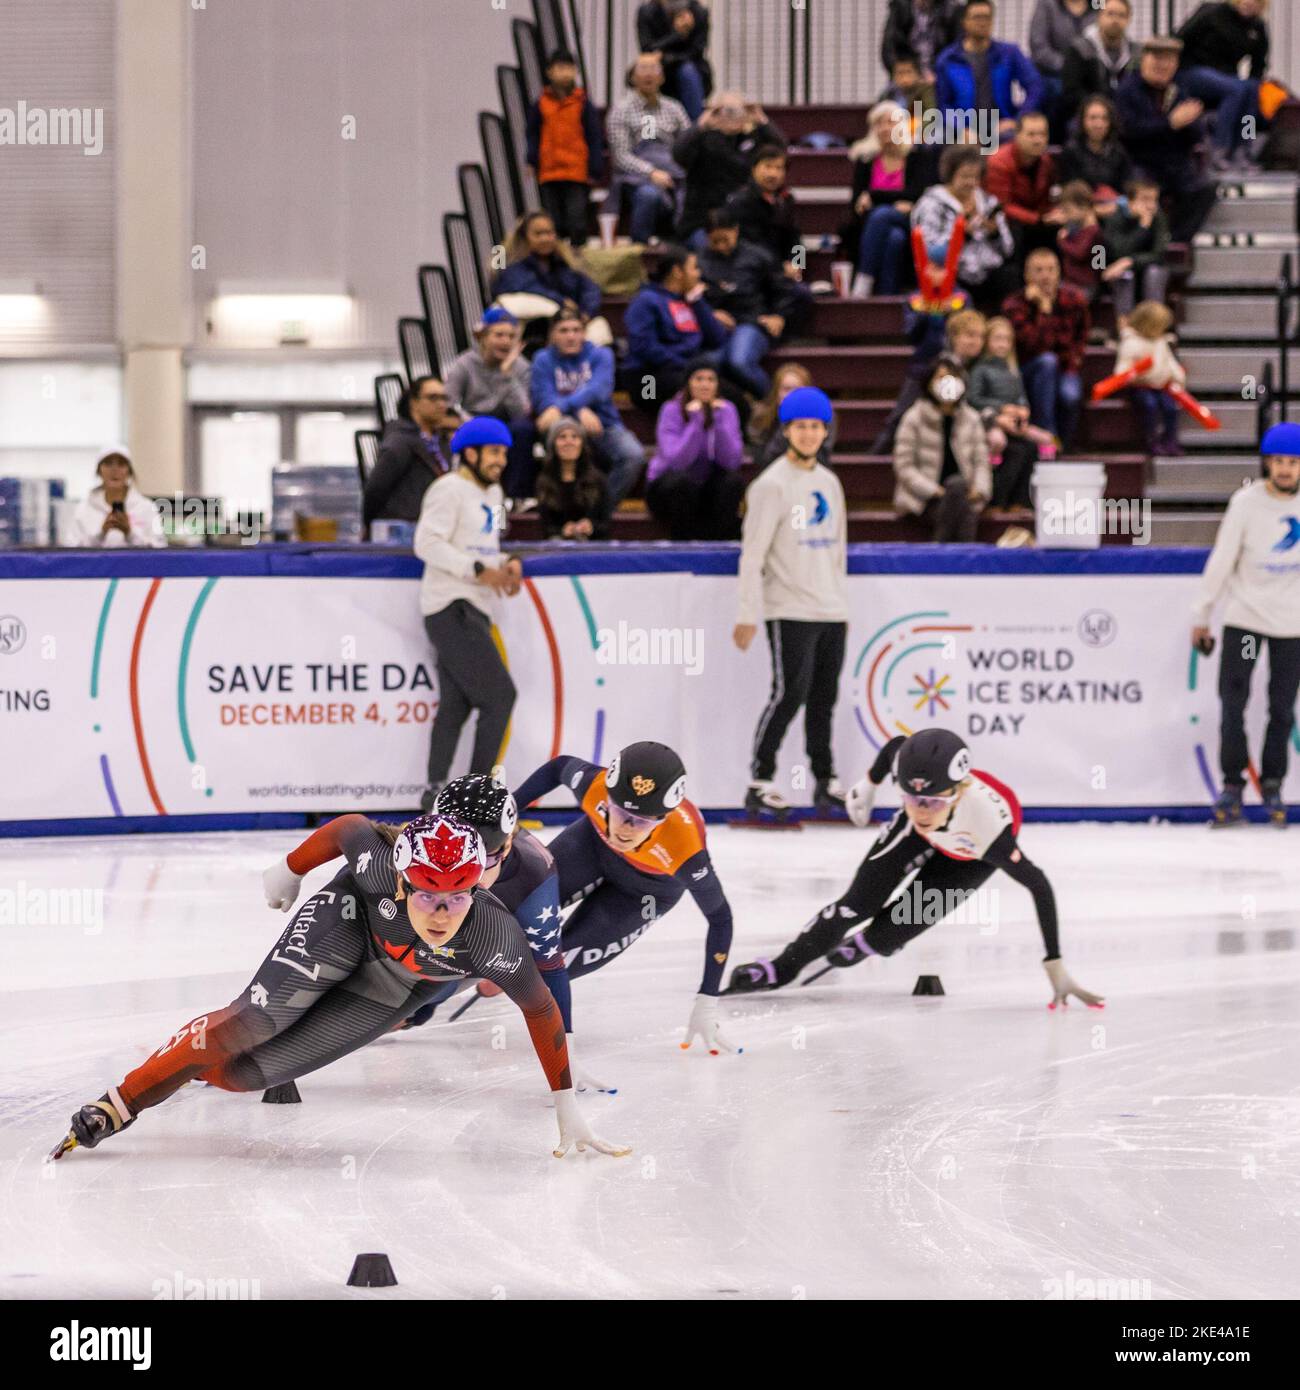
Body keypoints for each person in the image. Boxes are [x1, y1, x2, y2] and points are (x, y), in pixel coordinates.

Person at [51, 814, 629, 1161]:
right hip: (350, 922)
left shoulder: (494, 940)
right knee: (254, 1021)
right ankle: (120, 1102)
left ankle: (185, 1059)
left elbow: (542, 1011)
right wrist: (291, 866)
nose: (442, 912)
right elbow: (351, 828)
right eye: (427, 894)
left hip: (394, 985)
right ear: (402, 884)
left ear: (478, 890)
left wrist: (564, 1102)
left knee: (241, 1075)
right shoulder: (378, 870)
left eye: (457, 897)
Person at [722, 727, 1104, 1011]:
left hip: (967, 855)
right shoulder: (916, 780)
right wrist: (869, 784)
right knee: (855, 905)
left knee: (889, 932)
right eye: (911, 798)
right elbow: (893, 749)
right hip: (928, 836)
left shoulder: (990, 829)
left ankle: (869, 944)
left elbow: (1039, 886)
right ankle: (782, 967)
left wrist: (1053, 961)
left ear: (958, 791)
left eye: (933, 802)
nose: (922, 811)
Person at [513, 741, 741, 1055]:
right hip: (591, 846)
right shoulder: (594, 786)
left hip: (646, 892)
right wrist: (508, 810)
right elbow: (558, 766)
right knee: (505, 915)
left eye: (642, 822)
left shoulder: (686, 849)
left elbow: (720, 918)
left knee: (535, 970)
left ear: (662, 819)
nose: (624, 829)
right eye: (619, 812)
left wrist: (707, 1001)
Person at [734, 386, 848, 817]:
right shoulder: (771, 485)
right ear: (786, 431)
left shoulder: (830, 483)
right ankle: (760, 780)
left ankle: (825, 780)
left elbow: (837, 549)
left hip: (831, 609)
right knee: (788, 694)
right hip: (789, 609)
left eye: (816, 427)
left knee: (824, 699)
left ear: (825, 432)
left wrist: (842, 604)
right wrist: (748, 611)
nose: (808, 434)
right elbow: (753, 554)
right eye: (800, 427)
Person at [1193, 420, 1300, 828]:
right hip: (1247, 621)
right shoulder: (1246, 503)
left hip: (1292, 626)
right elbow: (1221, 561)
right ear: (1267, 463)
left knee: (1282, 709)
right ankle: (1232, 785)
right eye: (1279, 461)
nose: (1286, 469)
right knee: (1233, 704)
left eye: (1293, 462)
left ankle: (1272, 782)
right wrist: (1202, 614)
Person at [414, 417, 523, 812]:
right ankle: (477, 799)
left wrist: (507, 563)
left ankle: (435, 793)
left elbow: (487, 546)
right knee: (500, 696)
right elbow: (426, 543)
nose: (502, 461)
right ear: (471, 452)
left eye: (505, 453)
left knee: (457, 706)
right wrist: (476, 570)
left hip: (475, 606)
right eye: (495, 452)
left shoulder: (492, 494)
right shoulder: (448, 489)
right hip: (449, 605)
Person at [531, 308, 646, 503]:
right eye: (564, 330)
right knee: (562, 434)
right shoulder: (542, 359)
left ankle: (599, 508)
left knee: (633, 455)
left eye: (576, 330)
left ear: (584, 333)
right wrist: (579, 410)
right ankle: (558, 510)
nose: (571, 336)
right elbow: (543, 399)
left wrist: (564, 406)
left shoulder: (601, 354)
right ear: (552, 334)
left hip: (603, 425)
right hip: (561, 426)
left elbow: (599, 390)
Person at [1115, 37, 1217, 243]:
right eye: (1157, 58)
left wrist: (1191, 122)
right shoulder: (1127, 90)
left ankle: (1175, 241)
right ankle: (1146, 242)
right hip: (1140, 162)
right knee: (1141, 190)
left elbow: (1195, 136)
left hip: (1175, 163)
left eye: (1169, 60)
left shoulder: (1178, 91)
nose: (1163, 65)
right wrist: (1169, 123)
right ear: (1144, 59)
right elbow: (1130, 132)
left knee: (1205, 187)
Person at [697, 208, 805, 399]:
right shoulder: (698, 262)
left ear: (735, 231)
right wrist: (710, 313)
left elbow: (784, 290)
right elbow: (692, 298)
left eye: (725, 239)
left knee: (738, 361)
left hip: (753, 322)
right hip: (715, 329)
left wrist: (779, 315)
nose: (721, 246)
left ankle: (776, 409)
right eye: (715, 241)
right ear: (706, 237)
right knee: (704, 366)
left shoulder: (758, 256)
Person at [893, 354, 991, 541]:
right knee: (957, 494)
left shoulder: (971, 418)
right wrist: (934, 490)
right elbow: (904, 467)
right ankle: (964, 555)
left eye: (952, 377)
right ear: (929, 382)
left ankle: (940, 544)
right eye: (940, 378)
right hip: (924, 500)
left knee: (958, 491)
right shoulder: (914, 417)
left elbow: (981, 462)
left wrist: (979, 489)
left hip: (965, 495)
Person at [646, 359, 745, 541]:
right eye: (699, 379)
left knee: (732, 482)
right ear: (688, 383)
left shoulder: (727, 410)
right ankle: (683, 543)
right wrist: (696, 421)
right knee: (681, 483)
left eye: (710, 379)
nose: (705, 385)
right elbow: (677, 462)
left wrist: (720, 423)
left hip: (704, 487)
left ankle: (719, 543)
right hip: (667, 487)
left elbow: (731, 461)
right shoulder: (670, 410)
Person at [622, 243, 730, 408]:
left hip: (683, 373)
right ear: (677, 272)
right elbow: (644, 347)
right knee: (697, 392)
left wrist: (698, 302)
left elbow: (718, 339)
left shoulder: (691, 301)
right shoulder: (645, 300)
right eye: (694, 268)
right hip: (646, 379)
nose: (698, 274)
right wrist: (688, 368)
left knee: (734, 400)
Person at [443, 306, 536, 498]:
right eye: (499, 335)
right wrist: (468, 421)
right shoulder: (464, 363)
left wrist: (507, 374)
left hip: (508, 421)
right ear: (482, 337)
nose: (505, 342)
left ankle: (514, 497)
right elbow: (448, 403)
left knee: (524, 429)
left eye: (511, 336)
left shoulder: (521, 366)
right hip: (474, 419)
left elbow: (522, 411)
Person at [912, 146, 1017, 314]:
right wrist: (962, 235)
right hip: (952, 275)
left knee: (1010, 276)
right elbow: (928, 252)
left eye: (975, 177)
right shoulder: (931, 204)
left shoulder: (989, 203)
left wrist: (994, 233)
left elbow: (1008, 250)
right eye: (965, 176)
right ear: (950, 175)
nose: (971, 183)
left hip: (987, 272)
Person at [1003, 248, 1090, 449]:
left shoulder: (1074, 299)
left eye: (1051, 270)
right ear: (1027, 275)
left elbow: (1082, 333)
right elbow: (1035, 345)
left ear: (1059, 272)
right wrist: (1043, 310)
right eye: (1039, 270)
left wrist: (1075, 359)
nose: (1046, 276)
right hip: (1028, 369)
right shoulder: (1015, 304)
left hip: (1065, 365)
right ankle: (1048, 436)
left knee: (1070, 396)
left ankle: (1065, 446)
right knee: (1047, 362)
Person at [672, 91, 785, 244]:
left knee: (763, 254)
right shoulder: (702, 140)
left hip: (745, 222)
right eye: (726, 110)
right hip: (703, 223)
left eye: (737, 110)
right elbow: (678, 154)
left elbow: (780, 151)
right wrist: (701, 125)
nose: (731, 116)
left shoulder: (754, 140)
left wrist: (762, 121)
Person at [840, 100, 928, 298]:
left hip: (911, 221)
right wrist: (894, 202)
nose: (885, 128)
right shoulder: (866, 160)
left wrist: (874, 196)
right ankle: (887, 296)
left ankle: (864, 279)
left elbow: (917, 194)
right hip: (873, 226)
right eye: (880, 123)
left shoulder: (916, 157)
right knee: (893, 237)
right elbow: (857, 202)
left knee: (881, 214)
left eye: (891, 122)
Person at [969, 315, 1053, 507]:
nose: (1002, 344)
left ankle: (1021, 501)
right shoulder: (980, 370)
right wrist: (1001, 409)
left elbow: (1021, 396)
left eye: (1007, 340)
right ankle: (998, 501)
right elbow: (974, 399)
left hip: (1015, 425)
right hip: (990, 423)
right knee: (1010, 449)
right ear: (987, 341)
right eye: (997, 339)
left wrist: (1023, 410)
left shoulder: (1012, 371)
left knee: (1035, 446)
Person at [607, 54, 691, 244]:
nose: (648, 74)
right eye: (643, 69)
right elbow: (620, 156)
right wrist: (651, 172)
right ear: (632, 77)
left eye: (654, 69)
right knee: (649, 195)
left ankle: (683, 250)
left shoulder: (674, 108)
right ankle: (640, 251)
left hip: (674, 173)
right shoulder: (621, 109)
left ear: (662, 77)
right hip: (636, 178)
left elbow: (687, 144)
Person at [1176, 0, 1270, 170]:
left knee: (1252, 89)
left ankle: (1244, 147)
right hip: (1192, 72)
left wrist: (1254, 83)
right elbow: (1180, 39)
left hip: (1227, 78)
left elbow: (1259, 64)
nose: (1249, 3)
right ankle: (1220, 149)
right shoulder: (1211, 12)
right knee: (1236, 89)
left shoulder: (1257, 26)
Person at [525, 49, 605, 245]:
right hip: (549, 172)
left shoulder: (583, 103)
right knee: (555, 223)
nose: (565, 72)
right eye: (560, 67)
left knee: (577, 221)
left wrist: (595, 167)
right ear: (549, 72)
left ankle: (577, 261)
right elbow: (533, 133)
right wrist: (531, 159)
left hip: (576, 172)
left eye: (569, 68)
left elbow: (594, 136)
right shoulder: (541, 103)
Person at [934, 0, 1044, 142]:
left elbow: (1035, 86)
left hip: (1001, 126)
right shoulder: (948, 59)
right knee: (935, 140)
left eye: (987, 17)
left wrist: (1018, 119)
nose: (982, 22)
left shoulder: (1009, 53)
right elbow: (943, 104)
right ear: (964, 22)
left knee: (1014, 138)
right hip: (961, 127)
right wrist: (961, 128)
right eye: (977, 17)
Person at [490, 211, 605, 338]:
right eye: (538, 234)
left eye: (549, 233)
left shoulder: (566, 262)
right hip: (536, 331)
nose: (545, 238)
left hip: (572, 323)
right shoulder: (509, 264)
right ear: (525, 237)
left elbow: (590, 288)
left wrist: (586, 313)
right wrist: (562, 301)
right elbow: (526, 286)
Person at [363, 376, 455, 528]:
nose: (441, 404)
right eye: (433, 398)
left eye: (444, 398)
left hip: (433, 528)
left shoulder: (442, 442)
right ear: (414, 402)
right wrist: (369, 527)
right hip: (402, 532)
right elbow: (375, 490)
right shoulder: (399, 442)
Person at [983, 111, 1062, 260]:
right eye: (1031, 135)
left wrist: (1054, 213)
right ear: (1017, 136)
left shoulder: (1046, 162)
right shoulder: (998, 163)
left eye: (1043, 134)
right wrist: (1038, 219)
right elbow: (1001, 206)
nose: (1038, 140)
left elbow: (1047, 198)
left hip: (1036, 221)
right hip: (1007, 225)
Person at [1115, 300, 1186, 457]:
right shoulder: (1131, 343)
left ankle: (1170, 439)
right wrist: (1135, 374)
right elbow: (1122, 370)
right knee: (1150, 405)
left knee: (1170, 407)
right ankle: (1151, 440)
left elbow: (1170, 362)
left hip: (1161, 385)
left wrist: (1178, 377)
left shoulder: (1161, 342)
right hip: (1141, 387)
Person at [1100, 177, 1171, 324]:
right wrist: (1141, 228)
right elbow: (1117, 251)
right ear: (1130, 200)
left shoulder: (1158, 217)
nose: (1151, 205)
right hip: (1118, 270)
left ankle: (1154, 325)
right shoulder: (1116, 216)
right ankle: (1125, 328)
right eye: (1145, 199)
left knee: (1154, 272)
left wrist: (1129, 261)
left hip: (1145, 268)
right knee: (1124, 276)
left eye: (1154, 200)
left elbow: (1158, 254)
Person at [533, 417, 611, 541]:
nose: (569, 442)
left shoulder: (599, 480)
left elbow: (606, 524)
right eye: (562, 437)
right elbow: (545, 527)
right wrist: (562, 531)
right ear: (553, 445)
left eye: (575, 437)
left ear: (582, 443)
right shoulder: (543, 482)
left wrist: (591, 527)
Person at [1060, 0, 1137, 124]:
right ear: (1099, 16)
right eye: (1110, 14)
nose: (1115, 20)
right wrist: (1099, 110)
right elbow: (1071, 92)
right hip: (1086, 116)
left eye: (1121, 15)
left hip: (1124, 116)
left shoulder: (1135, 53)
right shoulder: (1079, 50)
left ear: (1129, 20)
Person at [69, 449, 165, 548]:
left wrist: (130, 534)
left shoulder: (146, 508)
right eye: (108, 464)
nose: (115, 470)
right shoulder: (83, 509)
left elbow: (160, 549)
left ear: (129, 471)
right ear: (99, 471)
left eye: (121, 464)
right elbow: (71, 552)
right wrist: (101, 534)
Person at [748, 363, 837, 469]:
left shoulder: (822, 416)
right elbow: (765, 459)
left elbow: (821, 458)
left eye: (797, 389)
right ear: (777, 392)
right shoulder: (762, 418)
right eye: (786, 389)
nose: (792, 395)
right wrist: (786, 420)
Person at [636, 0, 713, 120]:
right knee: (647, 70)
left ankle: (695, 127)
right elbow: (647, 51)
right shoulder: (647, 11)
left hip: (688, 65)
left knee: (687, 71)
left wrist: (668, 57)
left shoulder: (699, 12)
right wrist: (677, 34)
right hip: (659, 65)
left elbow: (696, 51)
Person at [1055, 95, 1132, 215]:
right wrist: (1094, 209)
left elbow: (1125, 190)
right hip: (1080, 213)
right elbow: (1068, 190)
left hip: (1112, 211)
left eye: (1104, 118)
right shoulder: (1070, 151)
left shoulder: (1118, 152)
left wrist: (1115, 204)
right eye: (1093, 118)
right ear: (1082, 121)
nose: (1098, 124)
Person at [1028, 0, 1096, 136]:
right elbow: (1039, 47)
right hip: (1053, 74)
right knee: (1060, 93)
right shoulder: (1047, 5)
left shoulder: (1098, 4)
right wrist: (1070, 68)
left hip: (1090, 76)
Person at [1054, 180, 1107, 304]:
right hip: (1070, 283)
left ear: (1083, 207)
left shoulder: (1095, 232)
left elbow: (1080, 254)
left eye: (1068, 210)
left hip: (1085, 286)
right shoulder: (1077, 229)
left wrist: (1062, 240)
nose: (1066, 215)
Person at [881, 0, 964, 78]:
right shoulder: (900, 7)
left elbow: (958, 49)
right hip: (907, 74)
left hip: (940, 75)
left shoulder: (951, 10)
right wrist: (901, 72)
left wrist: (940, 75)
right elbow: (889, 49)